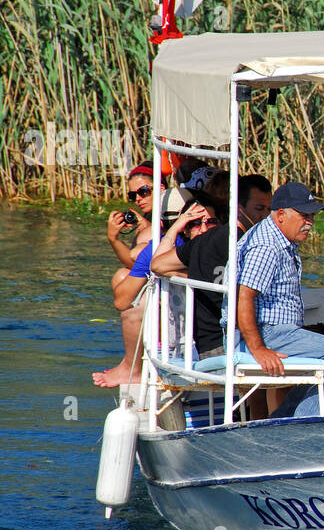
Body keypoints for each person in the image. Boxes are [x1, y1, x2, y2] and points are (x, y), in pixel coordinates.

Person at [229, 182, 324, 416]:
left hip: (276, 331)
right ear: (281, 215)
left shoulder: (277, 238)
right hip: (268, 332)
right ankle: (302, 428)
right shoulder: (267, 246)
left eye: (312, 216)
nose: (310, 222)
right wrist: (258, 349)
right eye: (304, 215)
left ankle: (282, 422)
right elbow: (242, 296)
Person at [93, 188, 211, 388]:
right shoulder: (156, 248)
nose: (203, 229)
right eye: (193, 223)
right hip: (183, 323)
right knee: (136, 297)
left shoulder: (218, 242)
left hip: (207, 322)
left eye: (210, 222)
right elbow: (122, 301)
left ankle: (132, 365)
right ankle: (132, 366)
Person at [152, 174, 273, 358]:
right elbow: (156, 265)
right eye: (259, 209)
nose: (265, 216)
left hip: (217, 341)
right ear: (239, 208)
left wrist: (197, 274)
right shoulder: (242, 243)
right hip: (227, 341)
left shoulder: (210, 243)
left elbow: (158, 264)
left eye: (211, 221)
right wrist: (175, 227)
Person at [105, 166, 155, 268]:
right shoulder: (147, 217)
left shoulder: (172, 213)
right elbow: (133, 265)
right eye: (132, 195)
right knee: (121, 275)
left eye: (143, 191)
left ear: (161, 188)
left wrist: (148, 227)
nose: (138, 199)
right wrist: (113, 238)